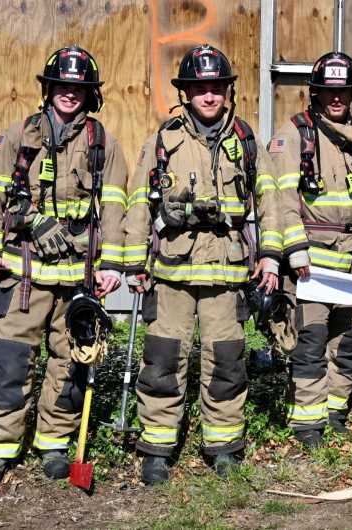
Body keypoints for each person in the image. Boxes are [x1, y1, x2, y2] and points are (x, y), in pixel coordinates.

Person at [0, 46, 128, 489]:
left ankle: (54, 442)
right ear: (49, 89)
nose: (69, 94)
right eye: (62, 86)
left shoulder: (103, 143)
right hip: (23, 273)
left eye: (78, 88)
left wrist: (111, 263)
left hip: (78, 273)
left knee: (71, 361)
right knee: (8, 358)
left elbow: (114, 207)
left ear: (89, 94)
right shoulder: (18, 135)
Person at [123, 44, 281, 483]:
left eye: (216, 88)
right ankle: (157, 445)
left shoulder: (246, 140)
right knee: (162, 359)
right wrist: (134, 264)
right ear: (186, 92)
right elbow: (139, 203)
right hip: (171, 273)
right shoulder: (163, 139)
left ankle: (223, 444)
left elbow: (270, 201)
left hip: (228, 276)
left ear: (226, 91)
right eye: (200, 89)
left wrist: (270, 257)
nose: (209, 96)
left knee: (226, 361)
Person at [268, 52, 352, 447]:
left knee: (350, 339)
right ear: (317, 93)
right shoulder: (294, 135)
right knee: (311, 340)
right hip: (312, 261)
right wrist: (294, 250)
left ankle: (334, 410)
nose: (336, 99)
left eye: (343, 92)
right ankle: (307, 423)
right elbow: (282, 197)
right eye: (329, 92)